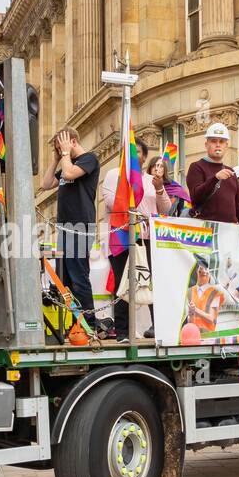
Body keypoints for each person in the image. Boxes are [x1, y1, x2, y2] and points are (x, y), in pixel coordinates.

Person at [39, 128, 100, 333]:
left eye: (61, 145)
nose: (59, 150)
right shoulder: (65, 162)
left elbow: (69, 174)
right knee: (64, 277)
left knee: (78, 275)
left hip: (80, 226)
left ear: (72, 141)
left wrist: (65, 154)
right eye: (57, 147)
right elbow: (46, 183)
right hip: (65, 227)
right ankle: (76, 322)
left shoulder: (88, 159)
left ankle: (89, 323)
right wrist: (56, 158)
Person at [99, 140, 155, 340]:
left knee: (149, 280)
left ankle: (156, 326)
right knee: (123, 282)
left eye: (138, 151)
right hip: (120, 234)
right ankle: (123, 331)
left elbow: (161, 209)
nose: (133, 155)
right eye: (129, 152)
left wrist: (160, 190)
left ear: (144, 156)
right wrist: (137, 210)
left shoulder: (150, 179)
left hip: (146, 237)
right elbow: (110, 201)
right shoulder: (113, 175)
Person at [186, 123, 239, 224]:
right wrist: (215, 178)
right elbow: (196, 197)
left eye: (222, 141)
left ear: (226, 146)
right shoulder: (196, 167)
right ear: (206, 145)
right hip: (206, 231)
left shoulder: (231, 172)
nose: (218, 145)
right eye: (213, 141)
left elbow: (238, 206)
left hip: (229, 231)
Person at [185, 257, 223, 338]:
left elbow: (211, 318)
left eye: (206, 269)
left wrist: (195, 310)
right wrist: (191, 315)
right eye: (201, 268)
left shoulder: (215, 293)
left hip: (209, 337)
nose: (204, 271)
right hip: (193, 336)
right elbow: (189, 320)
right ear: (197, 272)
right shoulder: (188, 292)